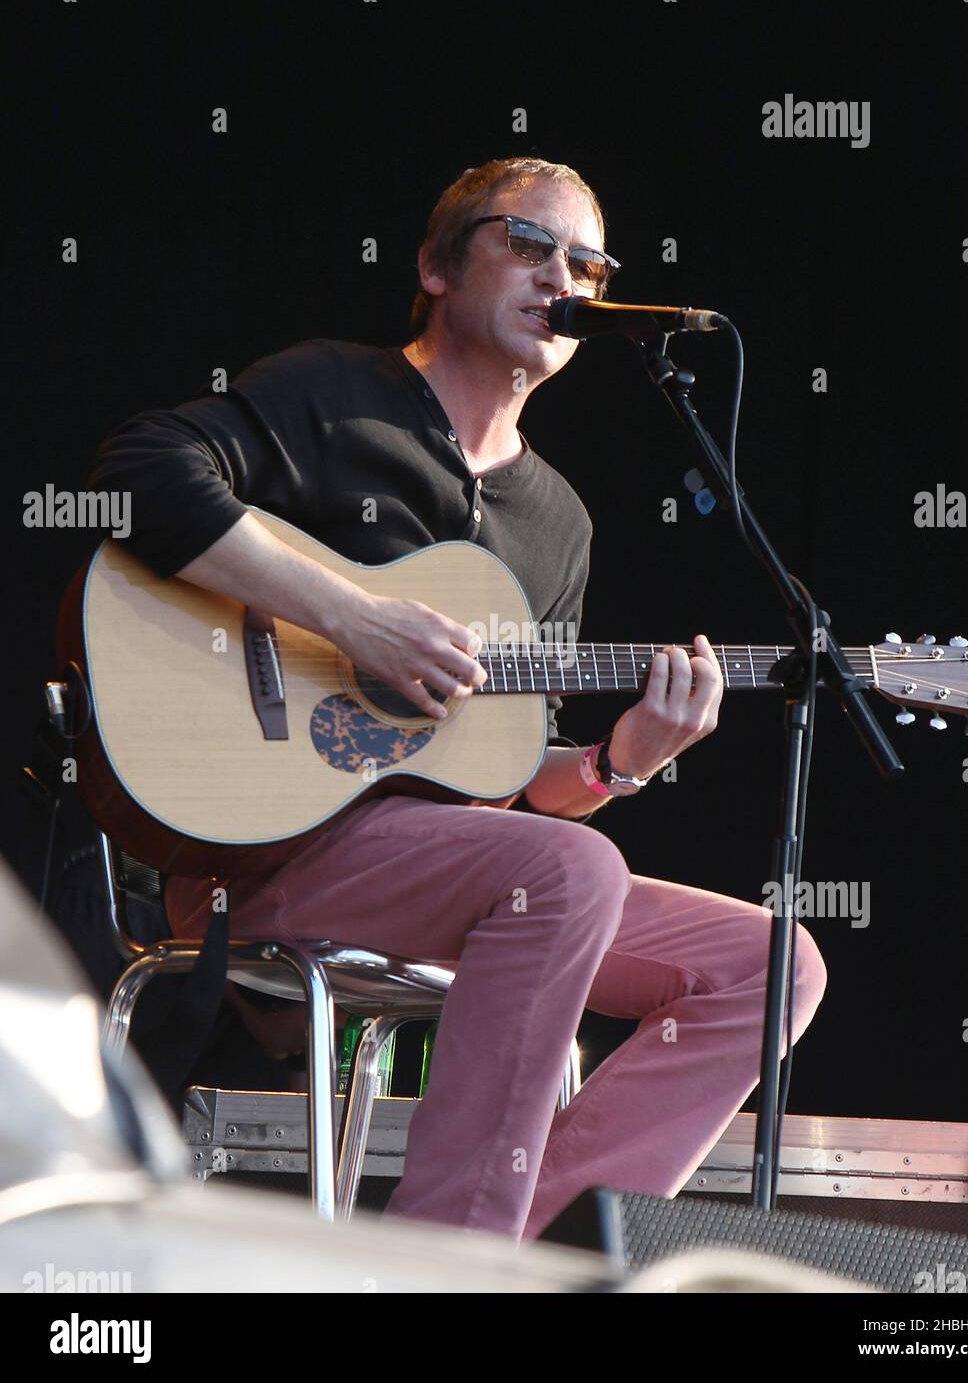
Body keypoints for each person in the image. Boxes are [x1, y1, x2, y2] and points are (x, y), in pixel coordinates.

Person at [86, 156, 827, 1245]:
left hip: (444, 866)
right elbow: (138, 473)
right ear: (435, 266)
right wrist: (350, 617)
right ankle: (447, 1260)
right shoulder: (334, 396)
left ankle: (551, 1246)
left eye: (587, 261)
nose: (560, 275)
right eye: (525, 243)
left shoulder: (558, 523)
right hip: (259, 849)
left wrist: (623, 760)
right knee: (564, 869)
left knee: (770, 963)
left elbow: (519, 777)